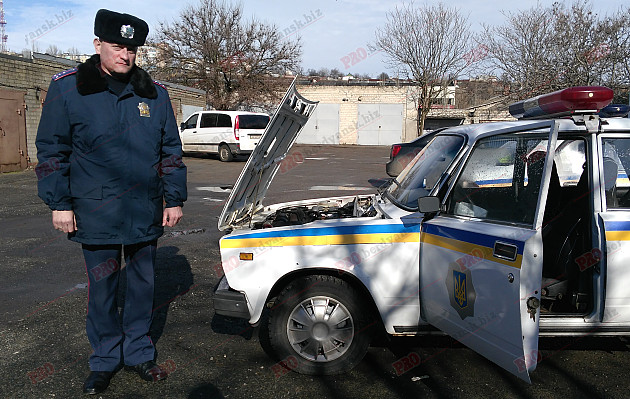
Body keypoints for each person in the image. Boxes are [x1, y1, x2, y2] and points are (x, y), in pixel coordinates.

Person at [35, 9, 187, 395]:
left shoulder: (154, 93)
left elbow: (170, 150)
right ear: (97, 44)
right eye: (118, 45)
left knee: (141, 287)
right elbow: (52, 150)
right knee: (102, 291)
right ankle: (104, 360)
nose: (126, 54)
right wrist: (59, 203)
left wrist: (174, 198)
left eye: (132, 48)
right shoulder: (68, 89)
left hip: (143, 209)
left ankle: (138, 354)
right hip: (95, 210)